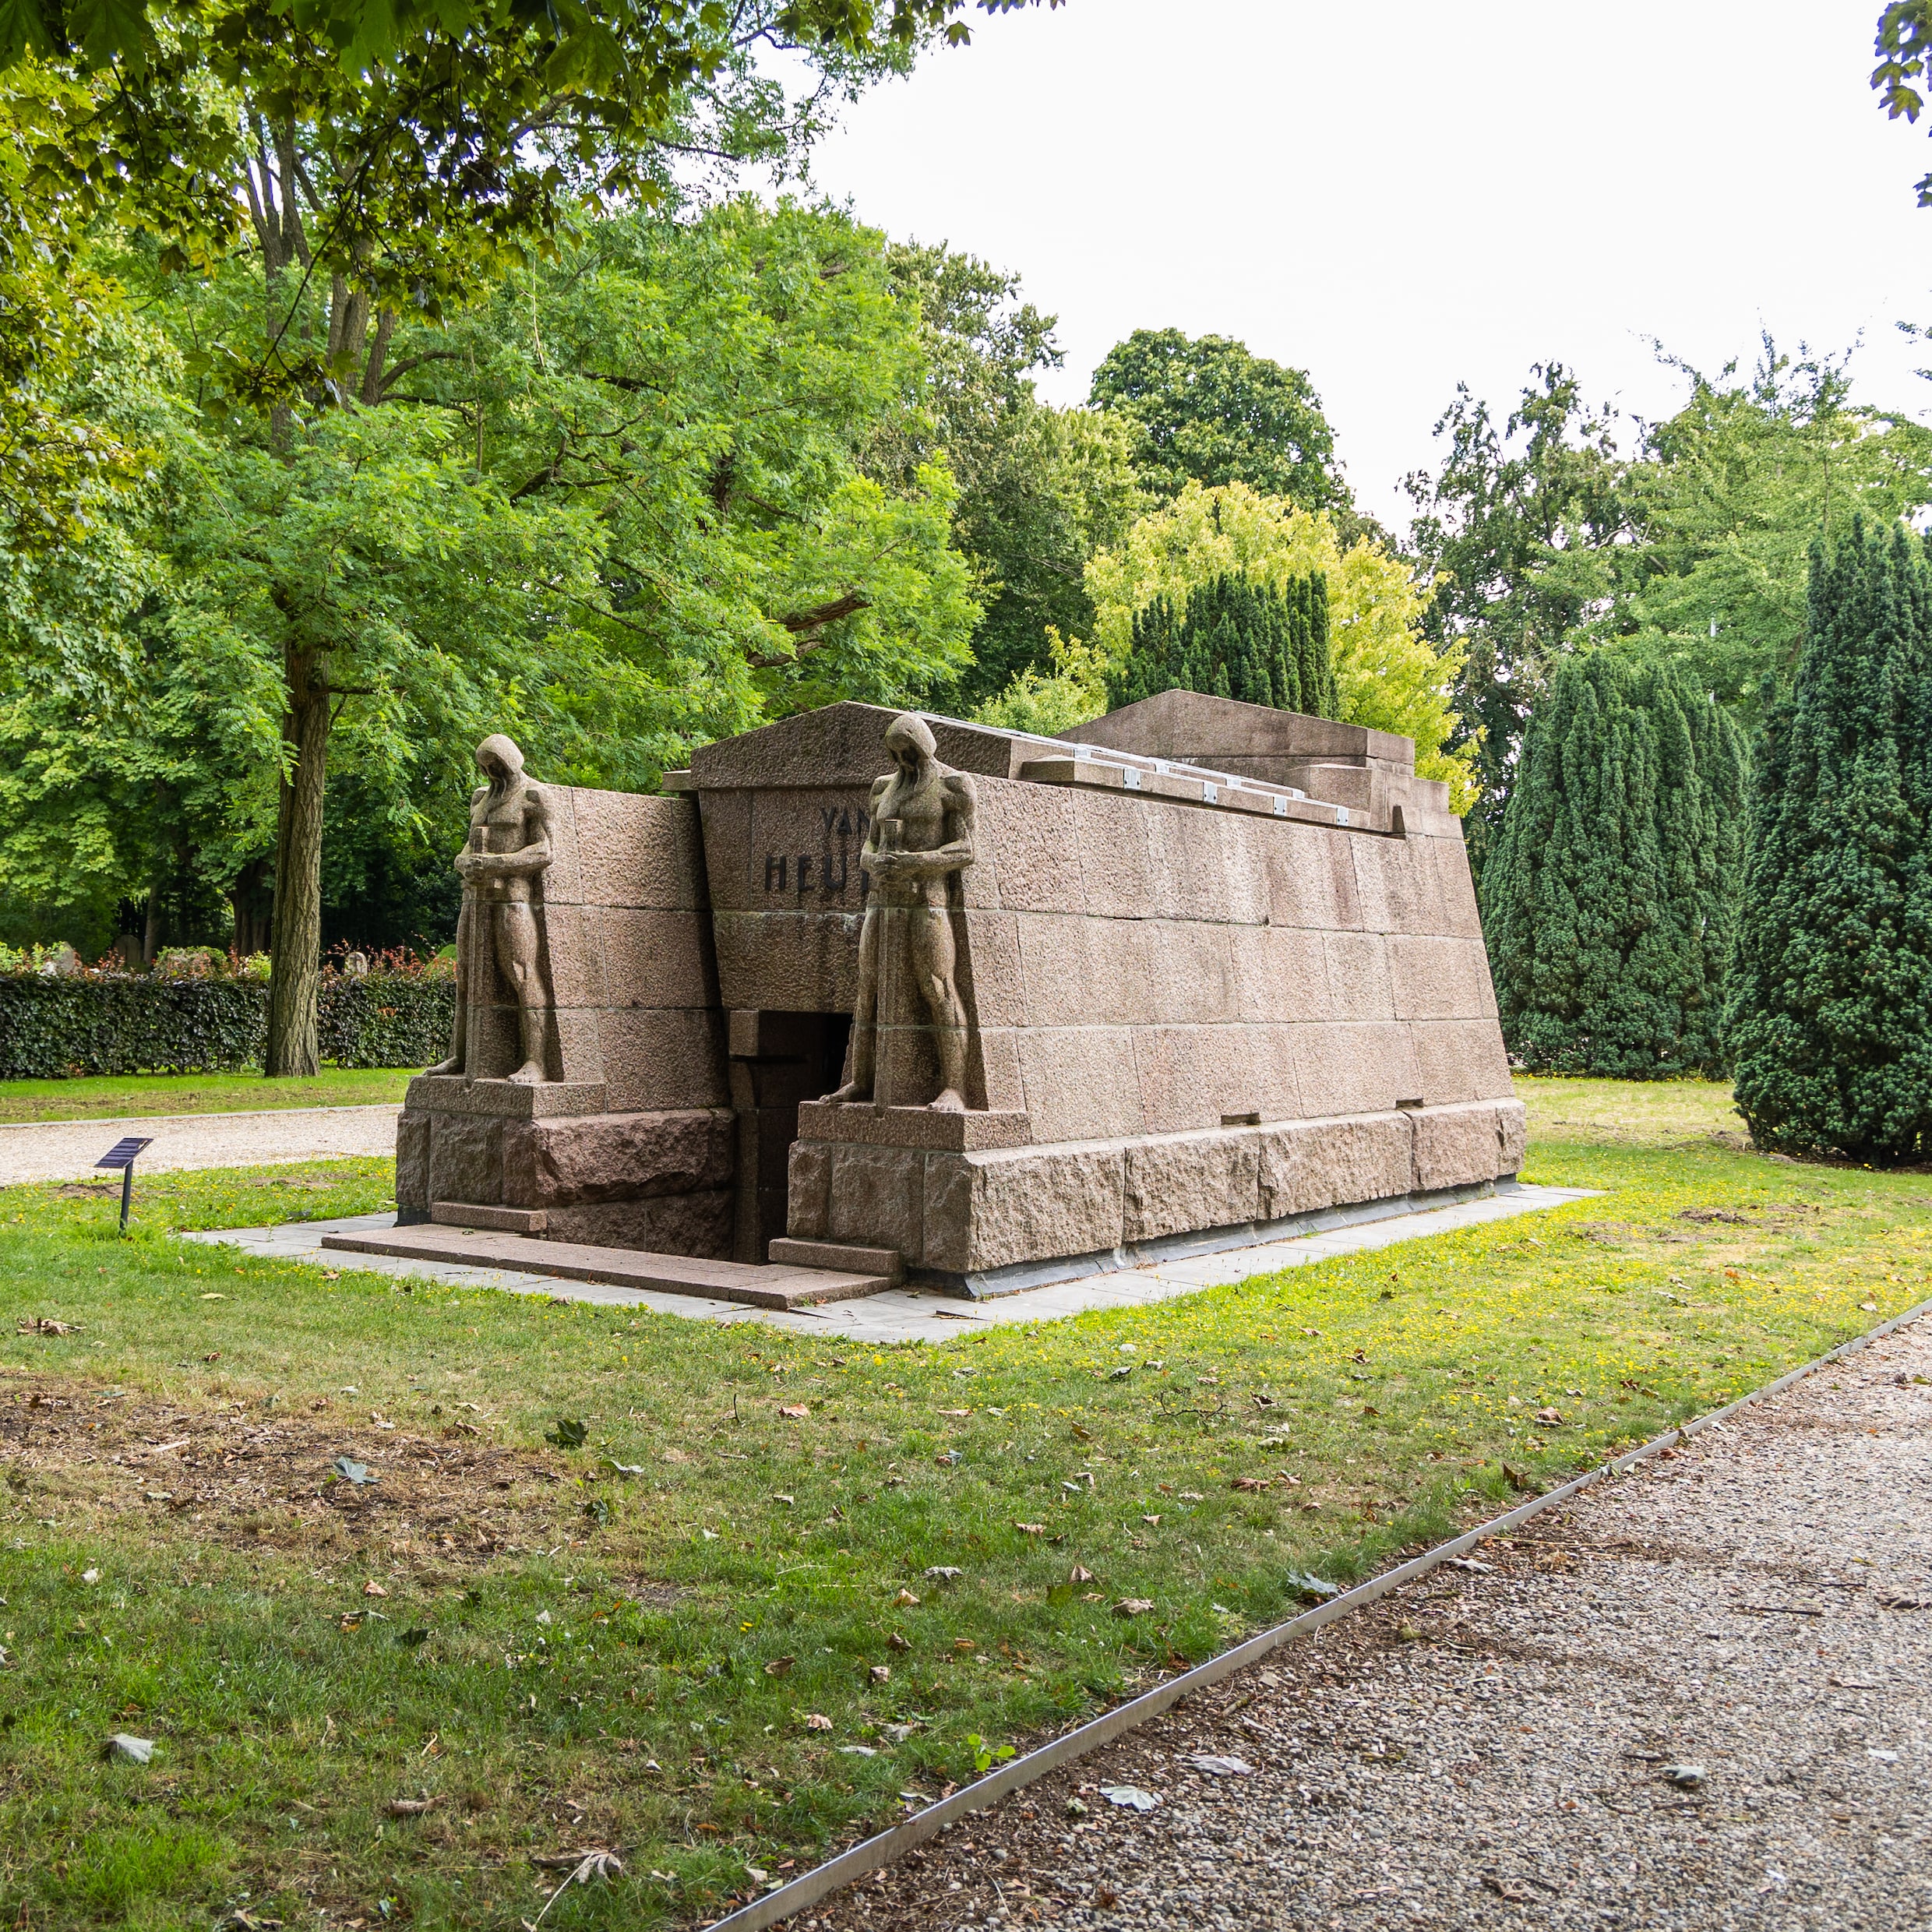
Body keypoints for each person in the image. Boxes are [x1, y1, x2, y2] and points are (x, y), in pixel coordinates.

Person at [824, 713, 977, 1112]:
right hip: (882, 901)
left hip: (928, 899)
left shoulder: (953, 785)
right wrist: (878, 864)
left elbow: (966, 849)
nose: (903, 763)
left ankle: (955, 1089)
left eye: (909, 753)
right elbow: (866, 850)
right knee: (867, 987)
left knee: (938, 985)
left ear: (924, 746)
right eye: (895, 755)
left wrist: (915, 861)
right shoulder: (881, 789)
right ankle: (860, 1080)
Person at [427, 734, 555, 1084]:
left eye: (497, 765)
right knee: (465, 976)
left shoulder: (534, 795)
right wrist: (463, 862)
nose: (492, 772)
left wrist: (496, 864)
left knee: (522, 973)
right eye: (485, 767)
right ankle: (460, 1055)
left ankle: (536, 1062)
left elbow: (544, 851)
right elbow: (468, 845)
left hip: (514, 896)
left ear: (512, 760)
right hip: (475, 898)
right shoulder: (481, 798)